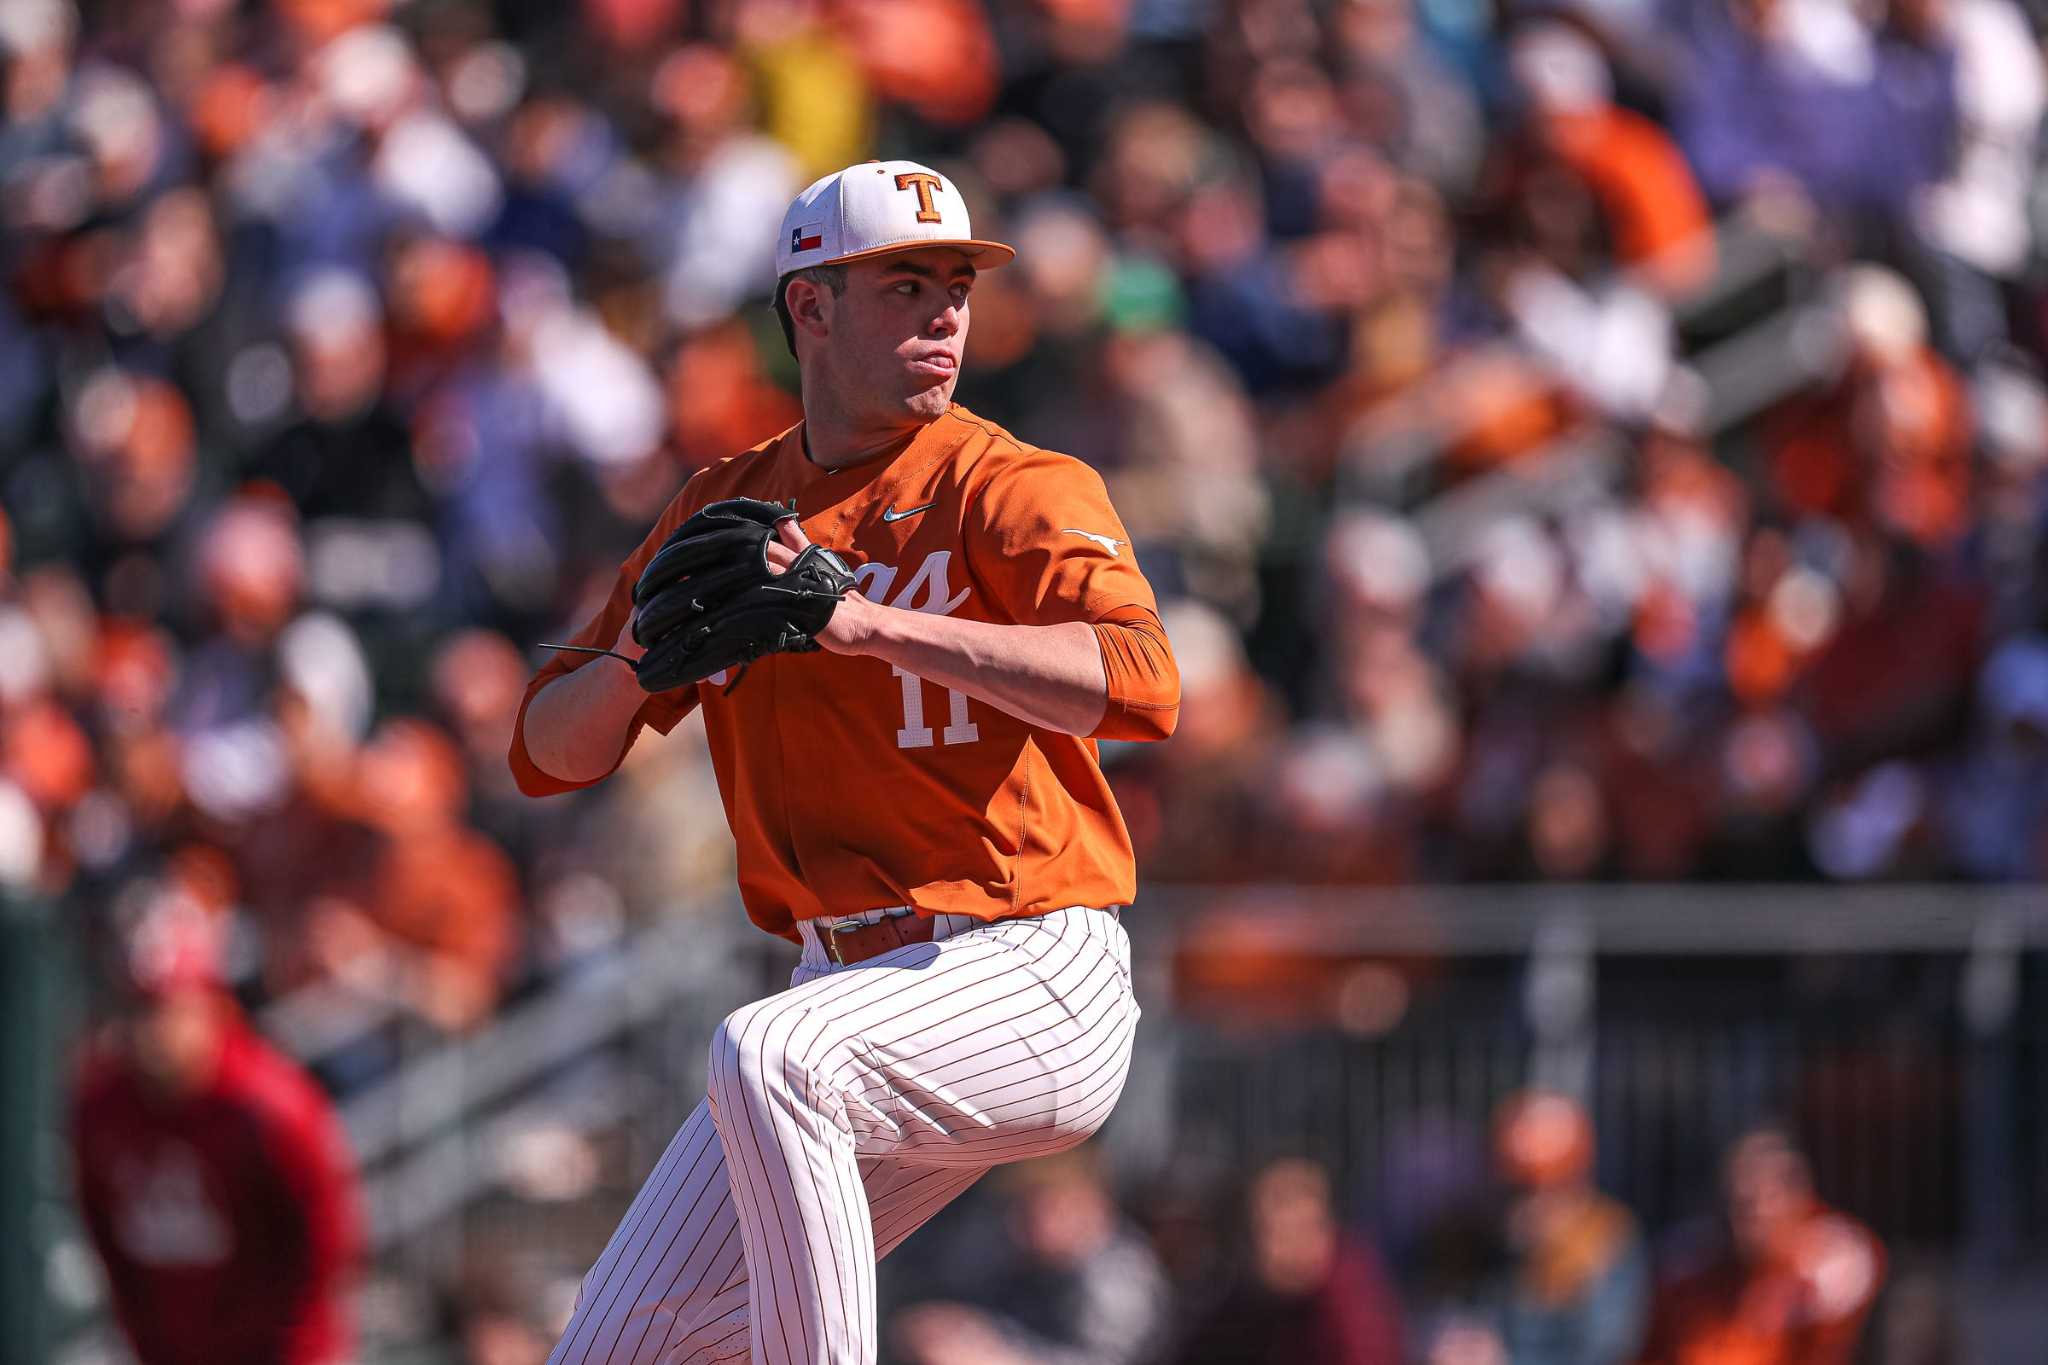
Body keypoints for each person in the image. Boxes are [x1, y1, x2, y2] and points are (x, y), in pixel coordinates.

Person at [512, 158, 1180, 1365]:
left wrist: (864, 624)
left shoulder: (1009, 482)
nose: (943, 315)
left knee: (767, 1058)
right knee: (615, 1347)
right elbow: (549, 754)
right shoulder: (726, 506)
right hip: (846, 989)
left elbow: (1141, 682)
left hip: (1027, 963)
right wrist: (641, 666)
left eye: (956, 287)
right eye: (903, 285)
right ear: (809, 307)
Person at [69, 886, 365, 1365]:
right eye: (140, 1009)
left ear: (210, 1006)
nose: (152, 1031)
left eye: (167, 1010)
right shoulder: (104, 1105)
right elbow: (103, 1225)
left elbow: (326, 1241)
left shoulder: (267, 1104)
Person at [890, 1150, 1171, 1365]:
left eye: (1038, 1209)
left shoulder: (1116, 1280)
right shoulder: (1035, 1259)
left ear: (1085, 1204)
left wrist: (990, 1356)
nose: (1021, 1225)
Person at [1636, 1126, 1885, 1365]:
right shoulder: (1690, 1269)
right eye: (1739, 1203)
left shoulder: (1835, 1268)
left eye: (1763, 1201)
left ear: (1799, 1197)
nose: (1749, 1220)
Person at [1173, 1158, 1404, 1365]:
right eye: (1273, 1231)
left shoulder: (1350, 1298)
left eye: (1303, 1228)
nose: (1288, 1247)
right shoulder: (1242, 1302)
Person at [1486, 1090, 1648, 1365]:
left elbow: (1605, 1353)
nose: (1529, 1206)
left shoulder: (1607, 1241)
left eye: (1543, 1189)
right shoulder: (1485, 1240)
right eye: (1517, 1191)